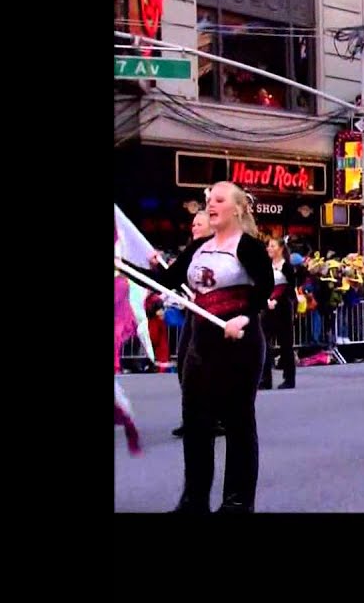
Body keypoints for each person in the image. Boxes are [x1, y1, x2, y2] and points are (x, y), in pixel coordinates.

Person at [122, 182, 272, 512]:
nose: (211, 205)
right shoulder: (199, 247)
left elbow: (264, 291)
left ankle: (237, 501)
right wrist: (124, 265)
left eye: (219, 200)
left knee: (238, 423)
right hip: (201, 343)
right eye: (209, 200)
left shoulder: (248, 247)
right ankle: (194, 499)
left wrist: (244, 319)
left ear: (237, 208)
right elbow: (167, 279)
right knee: (196, 423)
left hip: (239, 343)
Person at [172, 211, 217, 438]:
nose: (194, 227)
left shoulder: (220, 248)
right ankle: (192, 416)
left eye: (198, 224)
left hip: (214, 313)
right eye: (192, 224)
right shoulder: (193, 250)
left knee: (209, 367)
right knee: (184, 363)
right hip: (194, 311)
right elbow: (171, 278)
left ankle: (214, 417)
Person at [259, 237, 298, 390]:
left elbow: (290, 289)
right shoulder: (265, 266)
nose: (269, 248)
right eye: (268, 246)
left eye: (272, 246)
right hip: (268, 309)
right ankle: (265, 378)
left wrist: (278, 299)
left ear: (280, 249)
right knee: (264, 343)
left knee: (286, 345)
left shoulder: (287, 267)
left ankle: (289, 378)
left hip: (283, 309)